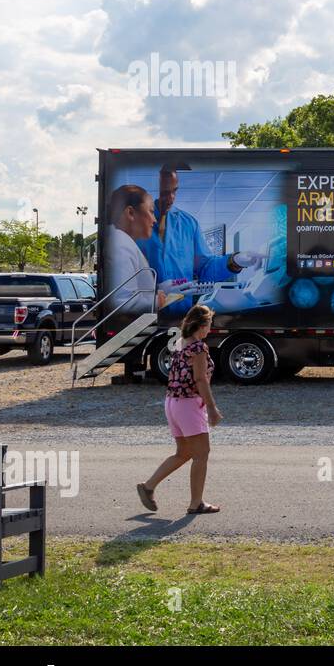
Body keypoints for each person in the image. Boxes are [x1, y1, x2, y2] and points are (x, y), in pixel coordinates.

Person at [140, 164, 263, 315]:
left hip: (180, 316)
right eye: (165, 192)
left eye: (174, 191)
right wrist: (156, 290)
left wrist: (235, 260)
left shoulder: (189, 224)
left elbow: (206, 269)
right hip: (143, 314)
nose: (171, 198)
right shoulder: (136, 224)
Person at [136, 304, 222, 515]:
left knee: (184, 452)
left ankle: (148, 487)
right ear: (201, 325)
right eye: (209, 324)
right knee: (202, 454)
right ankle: (196, 503)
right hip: (189, 403)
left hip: (172, 402)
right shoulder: (199, 347)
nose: (210, 328)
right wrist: (211, 407)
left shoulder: (181, 343)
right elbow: (200, 379)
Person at [105, 184, 184, 314]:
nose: (154, 220)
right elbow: (123, 302)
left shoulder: (123, 242)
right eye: (151, 211)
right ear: (130, 213)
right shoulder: (121, 245)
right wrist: (159, 301)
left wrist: (161, 288)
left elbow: (135, 289)